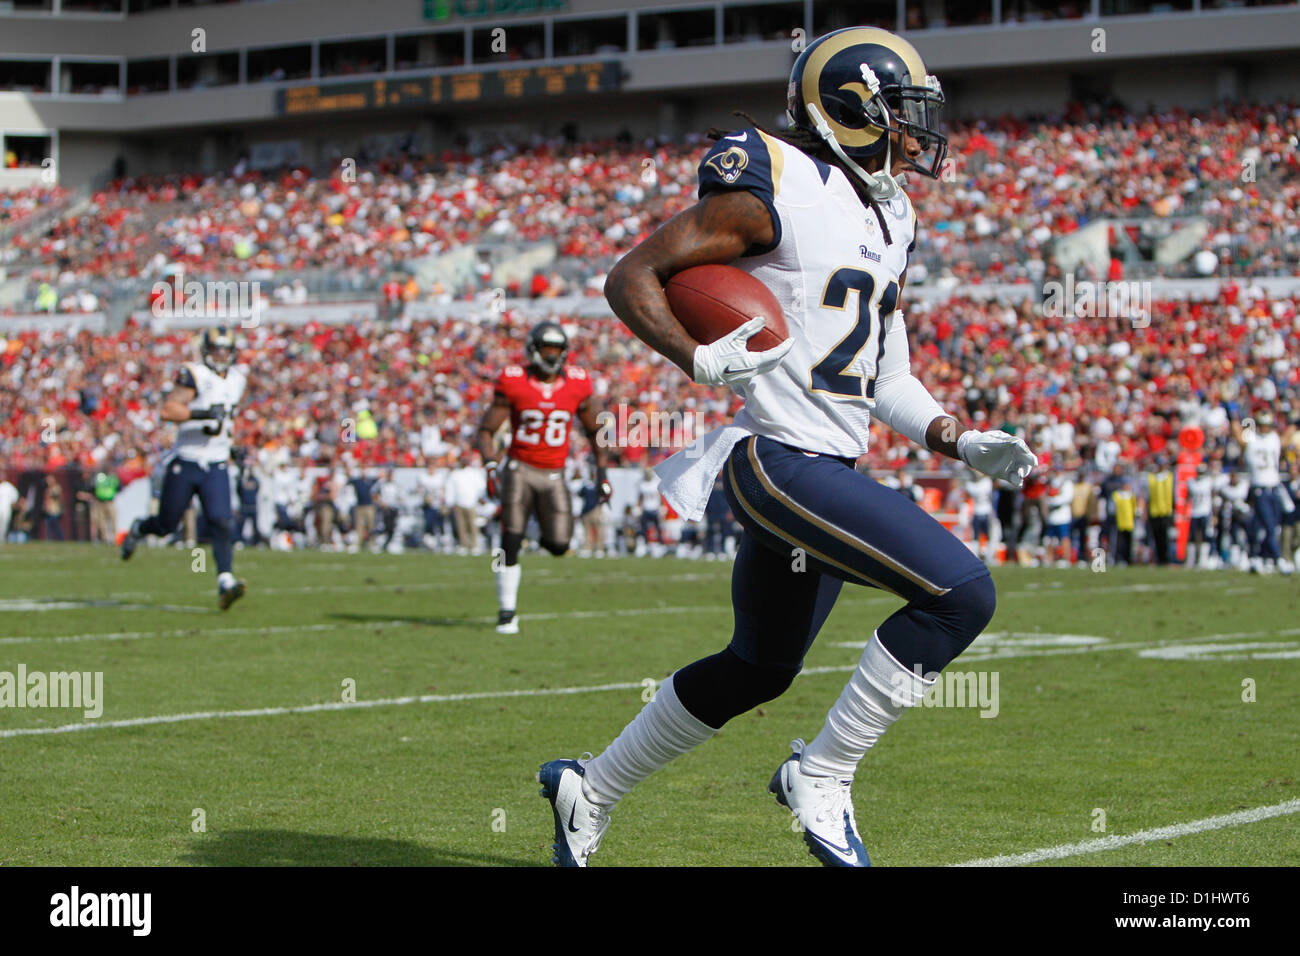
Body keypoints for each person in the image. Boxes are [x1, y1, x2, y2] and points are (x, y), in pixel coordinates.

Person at [537, 26, 1036, 867]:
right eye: (904, 114)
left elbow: (884, 378)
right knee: (962, 595)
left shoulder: (891, 213)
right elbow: (631, 276)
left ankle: (590, 788)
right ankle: (824, 772)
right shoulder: (778, 177)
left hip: (826, 462)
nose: (920, 134)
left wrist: (956, 436)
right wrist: (697, 357)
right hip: (775, 457)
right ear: (850, 109)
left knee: (759, 667)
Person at [475, 322, 610, 634]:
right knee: (510, 538)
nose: (552, 356)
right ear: (534, 350)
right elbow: (486, 430)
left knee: (560, 544)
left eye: (558, 350)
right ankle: (506, 612)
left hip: (554, 472)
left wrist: (602, 472)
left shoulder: (577, 383)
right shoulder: (513, 380)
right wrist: (490, 464)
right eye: (547, 349)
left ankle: (532, 527)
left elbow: (595, 431)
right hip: (518, 468)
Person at [120, 327, 247, 609]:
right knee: (167, 524)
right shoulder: (195, 374)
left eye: (226, 349)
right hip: (187, 460)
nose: (221, 354)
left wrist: (233, 445)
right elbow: (168, 410)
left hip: (216, 462)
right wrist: (202, 413)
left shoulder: (237, 379)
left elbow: (227, 419)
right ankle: (141, 527)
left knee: (221, 521)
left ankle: (225, 580)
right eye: (217, 349)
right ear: (206, 350)